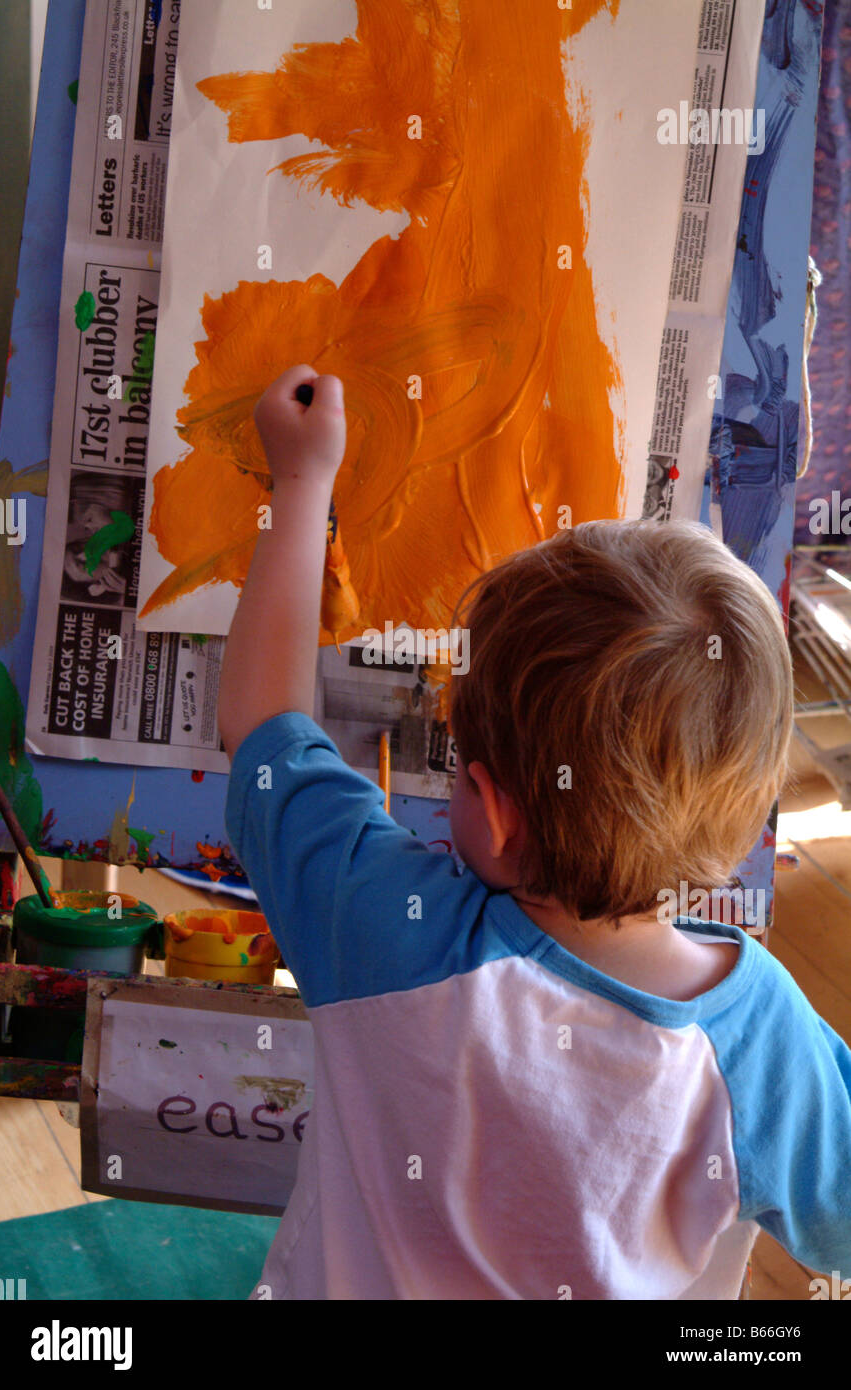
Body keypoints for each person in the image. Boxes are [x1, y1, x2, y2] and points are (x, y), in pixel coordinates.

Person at [217, 365, 851, 1300]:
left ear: (499, 812)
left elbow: (262, 724)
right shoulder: (761, 1044)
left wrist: (303, 481)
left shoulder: (384, 926)